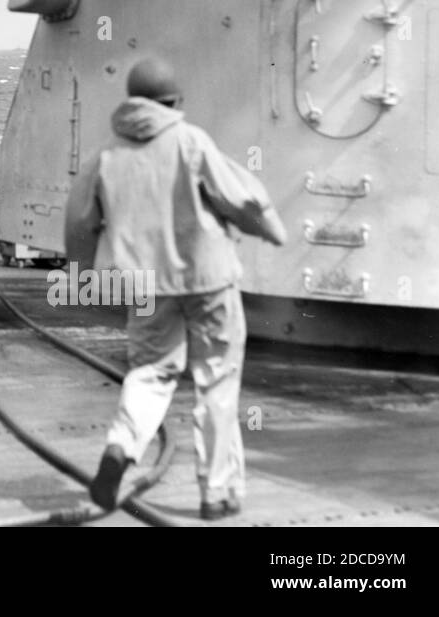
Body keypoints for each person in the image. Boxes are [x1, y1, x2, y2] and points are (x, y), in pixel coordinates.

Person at [64, 56, 287, 520]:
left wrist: (84, 275)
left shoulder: (104, 157)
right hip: (208, 279)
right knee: (217, 383)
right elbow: (239, 197)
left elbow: (80, 225)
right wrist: (269, 229)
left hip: (147, 285)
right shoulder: (191, 142)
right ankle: (216, 493)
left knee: (149, 375)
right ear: (175, 101)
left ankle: (120, 450)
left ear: (131, 102)